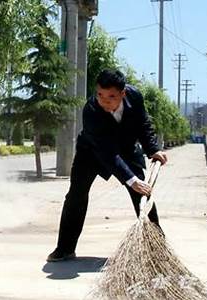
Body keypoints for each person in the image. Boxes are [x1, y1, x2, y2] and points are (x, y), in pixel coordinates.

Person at [47, 69, 168, 262]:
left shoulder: (135, 96)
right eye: (100, 95)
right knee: (76, 195)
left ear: (123, 93)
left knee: (143, 193)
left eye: (112, 96)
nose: (105, 101)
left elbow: (143, 124)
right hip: (92, 153)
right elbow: (107, 153)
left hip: (127, 151)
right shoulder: (91, 110)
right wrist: (131, 179)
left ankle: (158, 250)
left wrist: (153, 149)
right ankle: (65, 248)